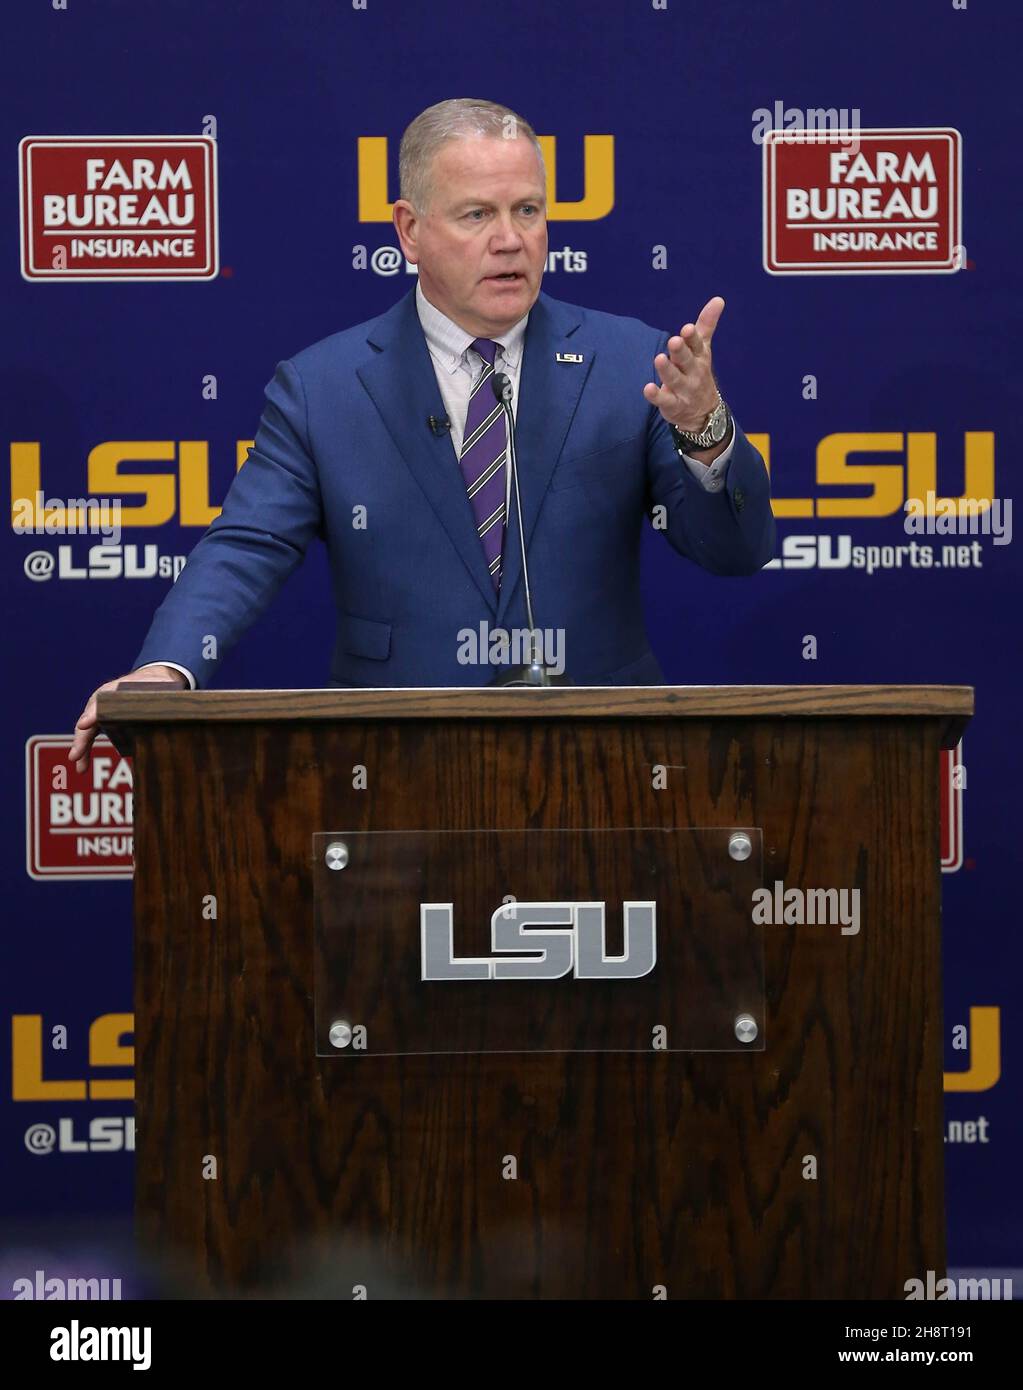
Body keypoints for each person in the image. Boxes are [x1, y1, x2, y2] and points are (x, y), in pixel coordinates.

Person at [70, 97, 775, 772]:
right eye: (477, 214)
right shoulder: (323, 388)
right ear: (409, 230)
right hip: (391, 764)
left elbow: (737, 552)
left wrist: (706, 432)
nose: (510, 239)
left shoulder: (633, 365)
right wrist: (166, 669)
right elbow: (247, 544)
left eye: (527, 210)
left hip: (600, 758)